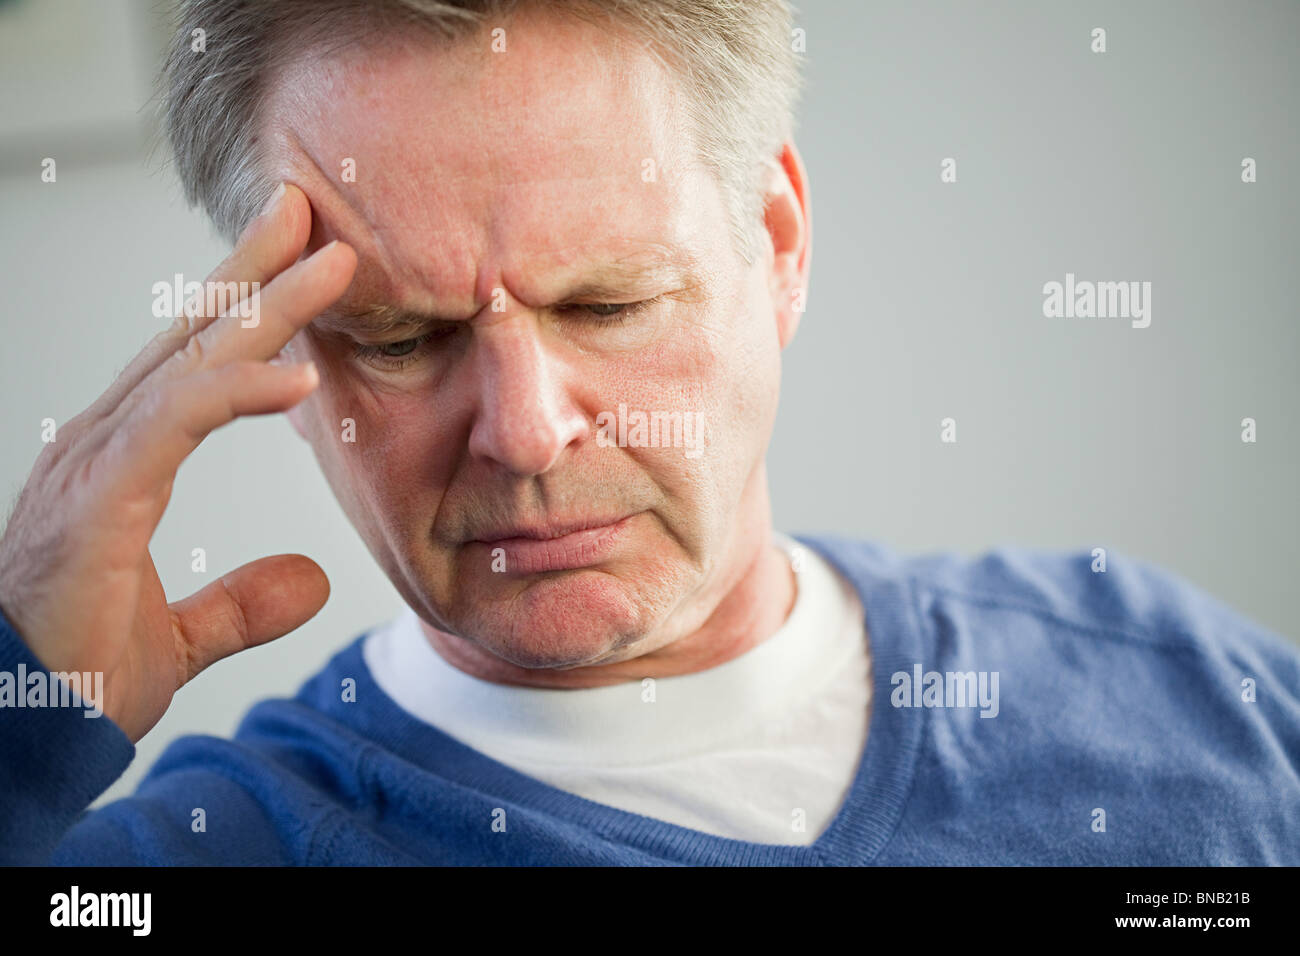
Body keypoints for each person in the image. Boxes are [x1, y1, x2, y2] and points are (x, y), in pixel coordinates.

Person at [1, 0, 1296, 866]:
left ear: (778, 245)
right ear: (278, 343)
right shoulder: (197, 853)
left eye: (609, 302)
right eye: (400, 338)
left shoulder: (1186, 693)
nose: (525, 433)